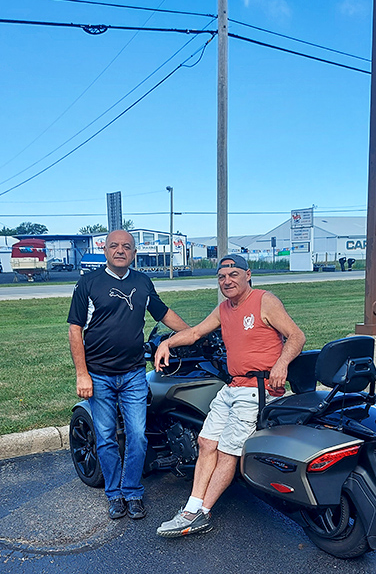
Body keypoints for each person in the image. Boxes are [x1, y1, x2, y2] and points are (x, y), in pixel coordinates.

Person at [155, 254, 306, 537]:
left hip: (257, 390)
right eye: (222, 277)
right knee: (205, 442)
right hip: (234, 387)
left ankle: (202, 513)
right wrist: (168, 342)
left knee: (227, 451)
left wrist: (281, 364)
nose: (227, 281)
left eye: (233, 275)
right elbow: (197, 332)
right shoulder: (224, 308)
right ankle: (192, 506)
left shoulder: (264, 300)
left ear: (247, 275)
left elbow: (296, 336)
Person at [68, 229, 188, 520]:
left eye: (126, 247)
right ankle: (114, 494)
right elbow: (75, 329)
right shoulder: (88, 283)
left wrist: (191, 333)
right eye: (114, 246)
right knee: (106, 437)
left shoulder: (142, 282)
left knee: (137, 435)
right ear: (105, 250)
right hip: (99, 375)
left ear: (134, 253)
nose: (120, 250)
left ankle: (132, 491)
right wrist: (82, 374)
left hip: (134, 373)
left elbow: (163, 313)